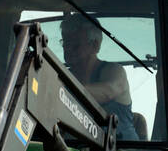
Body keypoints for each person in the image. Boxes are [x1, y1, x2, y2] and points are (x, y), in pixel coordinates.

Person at [60, 13, 140, 142]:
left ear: (95, 45)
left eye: (75, 45)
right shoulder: (62, 76)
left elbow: (108, 92)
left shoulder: (114, 71)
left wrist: (57, 90)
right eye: (65, 43)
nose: (67, 49)